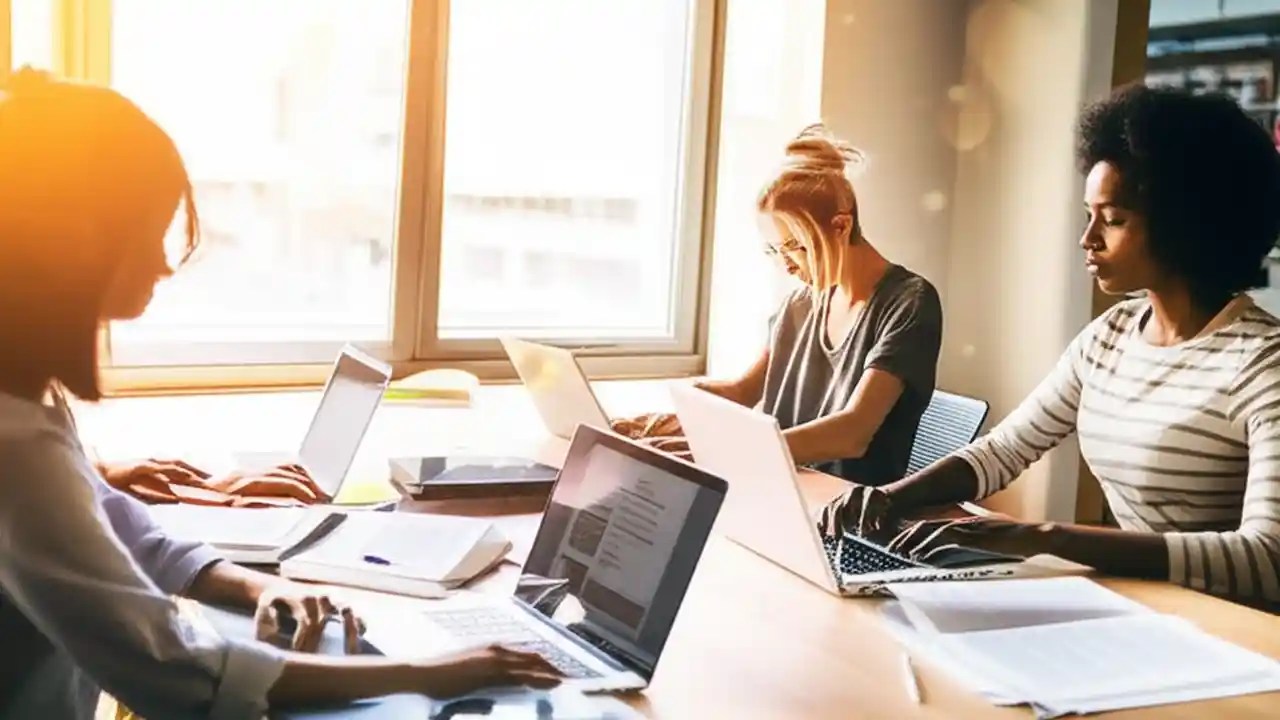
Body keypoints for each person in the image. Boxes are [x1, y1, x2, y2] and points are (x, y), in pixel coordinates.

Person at [0, 70, 559, 718]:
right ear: (77, 242)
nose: (164, 262)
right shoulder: (20, 452)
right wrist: (428, 674)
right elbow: (175, 668)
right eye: (150, 232)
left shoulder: (27, 403)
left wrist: (255, 587)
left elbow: (121, 528)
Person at [819, 83, 1280, 609]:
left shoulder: (1263, 364)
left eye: (1114, 220)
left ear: (1185, 226)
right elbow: (1003, 451)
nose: (1088, 238)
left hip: (1239, 629)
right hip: (1148, 606)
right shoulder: (1110, 335)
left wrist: (1043, 538)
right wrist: (886, 499)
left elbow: (1266, 559)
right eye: (1089, 215)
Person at [617, 124, 943, 486]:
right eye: (772, 250)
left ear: (840, 226)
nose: (785, 266)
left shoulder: (909, 303)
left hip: (846, 507)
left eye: (793, 247)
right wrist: (659, 420)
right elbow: (743, 392)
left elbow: (853, 432)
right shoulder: (798, 305)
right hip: (780, 487)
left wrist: (731, 451)